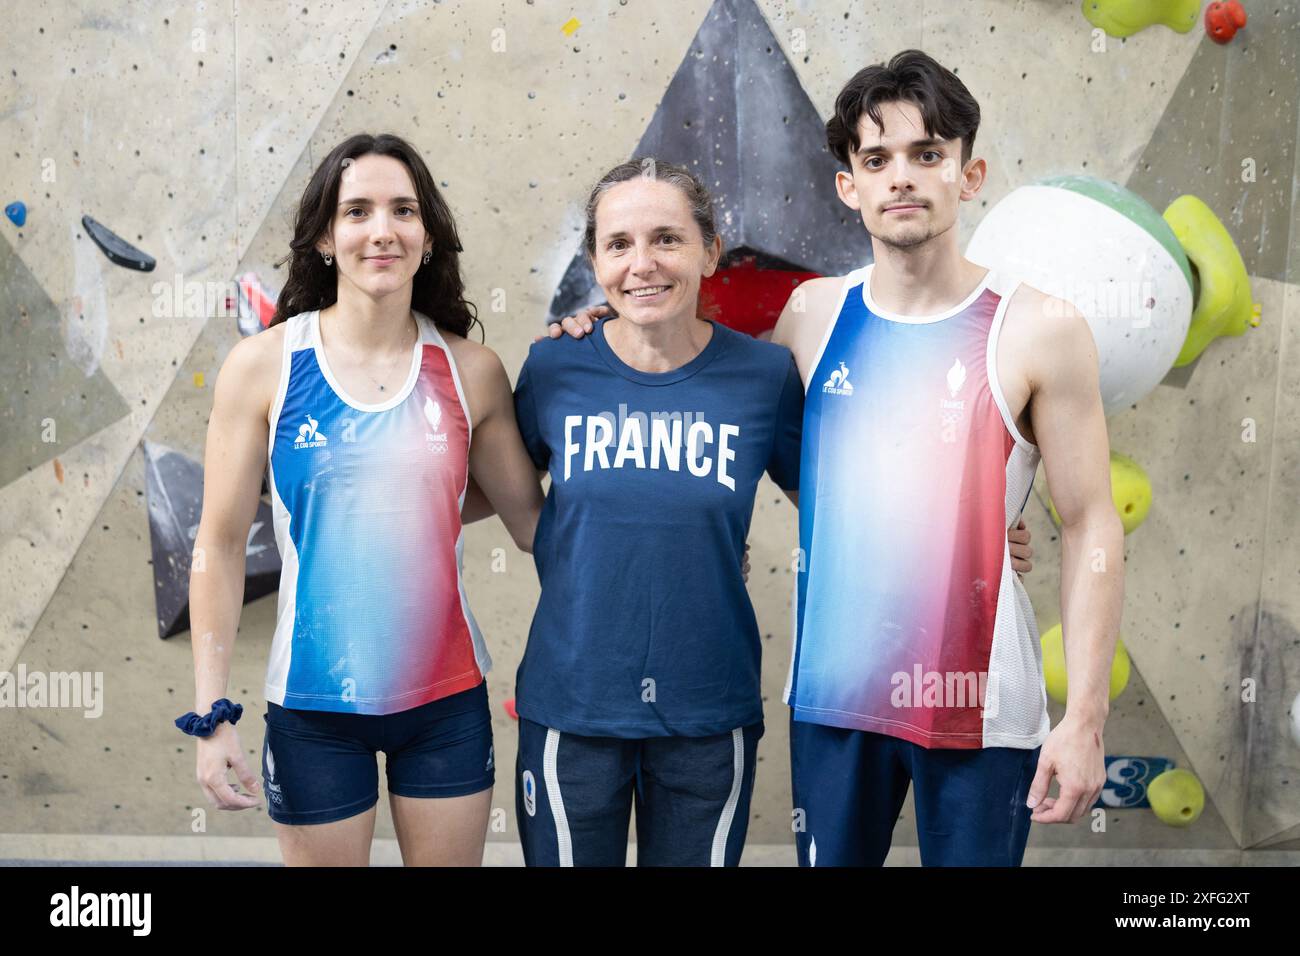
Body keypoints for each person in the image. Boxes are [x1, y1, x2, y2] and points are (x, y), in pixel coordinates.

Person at [530, 158, 1038, 866]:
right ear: (594, 259)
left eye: (667, 240)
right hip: (572, 707)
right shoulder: (554, 366)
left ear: (711, 250)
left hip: (708, 709)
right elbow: (508, 498)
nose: (642, 264)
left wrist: (965, 532)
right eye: (618, 245)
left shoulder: (762, 377)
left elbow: (840, 498)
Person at [768, 50, 1123, 866]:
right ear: (848, 185)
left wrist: (1085, 719)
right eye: (876, 158)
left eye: (928, 154)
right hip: (834, 694)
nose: (902, 177)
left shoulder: (1040, 327)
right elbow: (757, 432)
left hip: (980, 705)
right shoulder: (810, 316)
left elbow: (1092, 519)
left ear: (968, 175)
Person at [184, 133, 542, 866]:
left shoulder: (472, 372)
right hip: (313, 708)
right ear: (323, 236)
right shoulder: (263, 367)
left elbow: (532, 523)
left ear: (429, 234)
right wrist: (212, 714)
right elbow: (217, 546)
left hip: (446, 703)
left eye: (404, 210)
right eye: (357, 211)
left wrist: (604, 360)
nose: (382, 229)